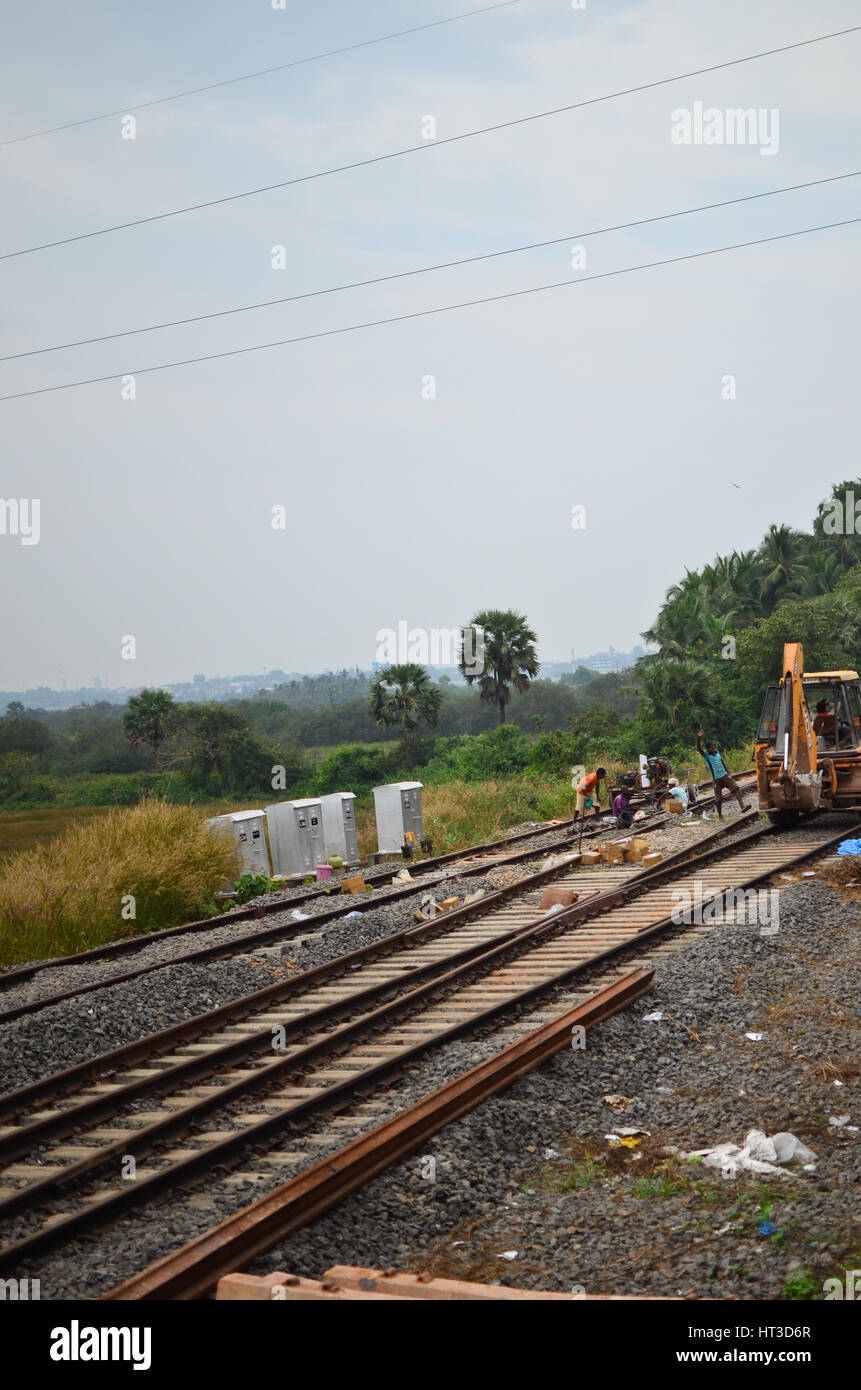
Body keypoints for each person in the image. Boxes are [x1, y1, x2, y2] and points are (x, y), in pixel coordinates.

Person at [696, 730, 748, 818]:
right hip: (716, 779)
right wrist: (699, 738)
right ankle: (720, 816)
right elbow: (699, 748)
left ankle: (742, 806)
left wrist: (728, 772)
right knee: (718, 799)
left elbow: (722, 763)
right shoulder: (706, 756)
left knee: (736, 789)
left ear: (713, 747)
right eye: (708, 748)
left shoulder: (718, 754)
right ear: (707, 749)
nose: (710, 749)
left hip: (725, 776)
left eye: (711, 747)